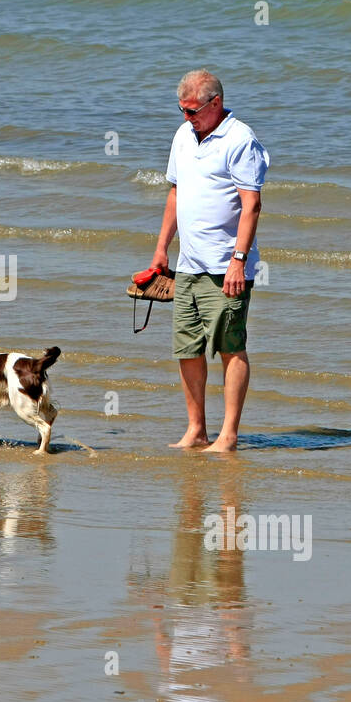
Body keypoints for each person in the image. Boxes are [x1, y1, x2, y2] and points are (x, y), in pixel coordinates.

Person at [149, 70, 268, 452]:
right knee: (188, 348)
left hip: (226, 266)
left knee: (231, 347)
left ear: (215, 104)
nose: (186, 118)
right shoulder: (183, 135)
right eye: (181, 110)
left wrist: (238, 260)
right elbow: (175, 193)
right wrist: (161, 248)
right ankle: (196, 430)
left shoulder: (240, 140)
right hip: (189, 264)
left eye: (192, 111)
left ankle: (228, 435)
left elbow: (252, 205)